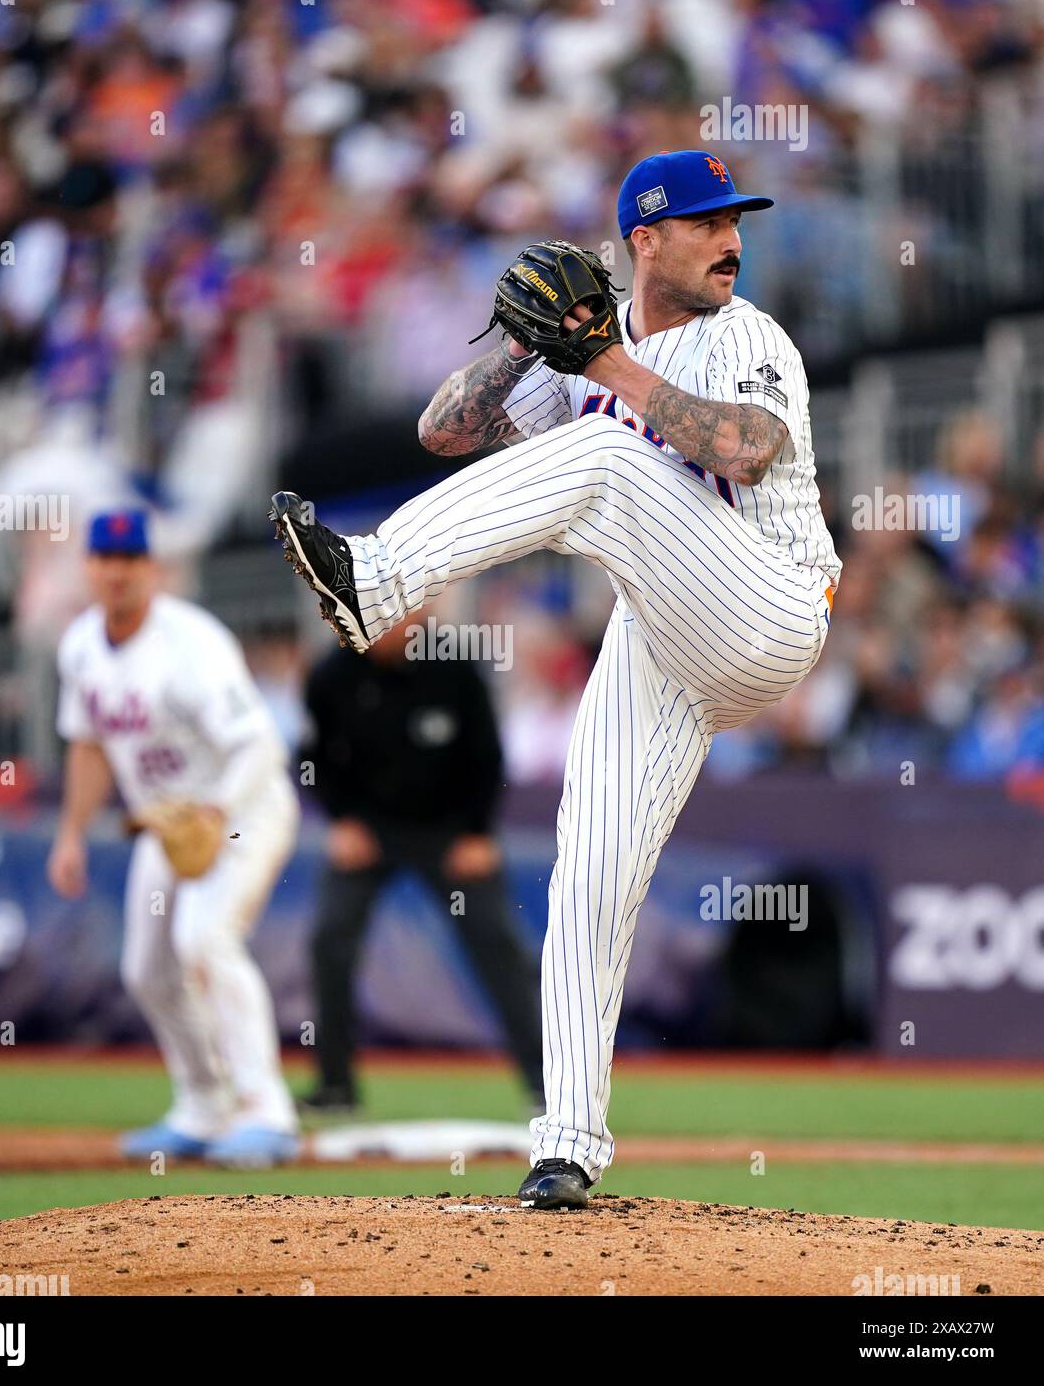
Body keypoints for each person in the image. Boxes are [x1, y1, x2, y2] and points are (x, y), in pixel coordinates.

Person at [270, 150, 840, 1208]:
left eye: (737, 219)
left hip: (769, 605)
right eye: (709, 221)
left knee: (609, 461)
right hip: (666, 626)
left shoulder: (747, 334)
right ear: (644, 243)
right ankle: (568, 1144)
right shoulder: (596, 342)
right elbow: (445, 428)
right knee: (591, 864)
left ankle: (379, 578)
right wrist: (522, 340)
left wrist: (601, 369)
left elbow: (746, 451)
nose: (733, 239)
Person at [48, 509, 300, 1167]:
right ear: (89, 568)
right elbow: (88, 746)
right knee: (147, 969)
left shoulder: (193, 644)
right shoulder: (79, 646)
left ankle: (266, 1112)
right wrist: (70, 833)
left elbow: (261, 745)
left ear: (152, 570)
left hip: (244, 808)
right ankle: (203, 1104)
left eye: (131, 560)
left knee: (203, 940)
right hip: (169, 825)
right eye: (105, 558)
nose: (118, 571)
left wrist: (216, 811)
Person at [300, 611, 544, 1114]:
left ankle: (551, 1086)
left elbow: (488, 756)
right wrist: (342, 820)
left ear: (418, 614)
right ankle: (336, 1087)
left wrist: (477, 832)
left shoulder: (454, 668)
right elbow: (313, 759)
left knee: (497, 944)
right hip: (369, 830)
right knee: (330, 938)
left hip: (450, 832)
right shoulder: (331, 675)